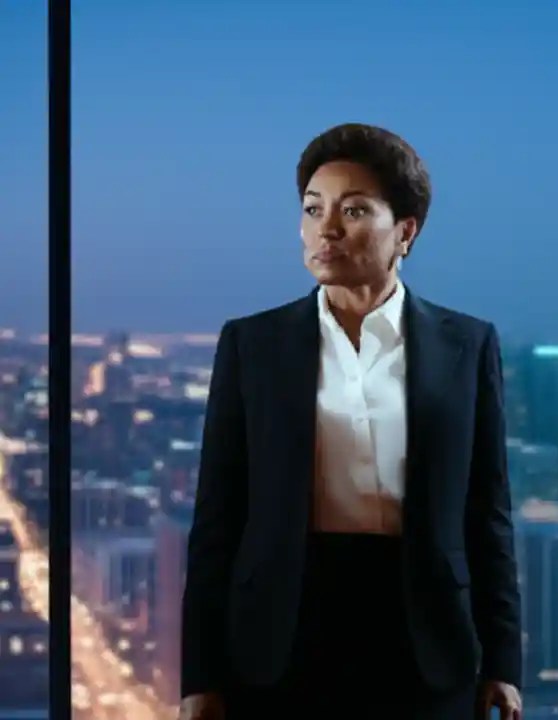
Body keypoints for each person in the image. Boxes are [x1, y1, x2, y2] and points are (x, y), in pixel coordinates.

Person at [177, 123, 523, 720]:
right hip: (281, 636)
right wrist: (200, 678)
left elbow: (487, 515)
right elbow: (217, 521)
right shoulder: (253, 345)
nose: (325, 229)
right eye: (313, 210)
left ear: (405, 232)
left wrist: (503, 664)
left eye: (354, 210)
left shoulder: (467, 345)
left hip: (426, 637)